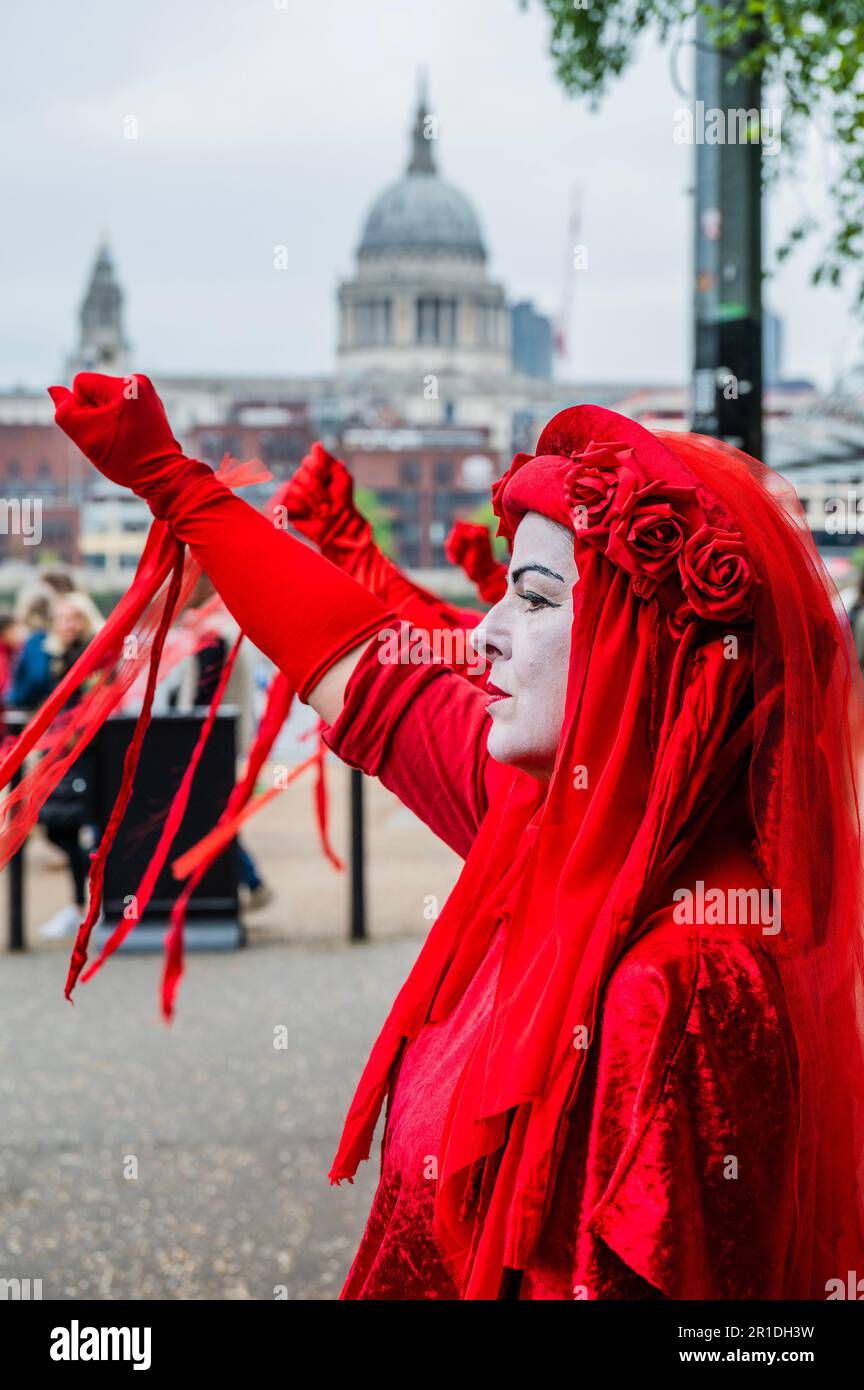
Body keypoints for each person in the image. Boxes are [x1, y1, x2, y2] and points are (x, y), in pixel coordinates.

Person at [47, 372, 864, 1300]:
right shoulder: (549, 821)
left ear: (652, 645)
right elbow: (362, 668)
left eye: (539, 599)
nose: (483, 633)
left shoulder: (679, 981)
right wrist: (177, 486)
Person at [28, 594, 103, 939]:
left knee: (89, 828)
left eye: (74, 617)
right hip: (56, 757)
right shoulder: (49, 657)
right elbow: (28, 694)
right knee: (56, 826)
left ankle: (92, 906)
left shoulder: (97, 654)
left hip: (89, 757)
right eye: (62, 618)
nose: (68, 624)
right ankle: (81, 905)